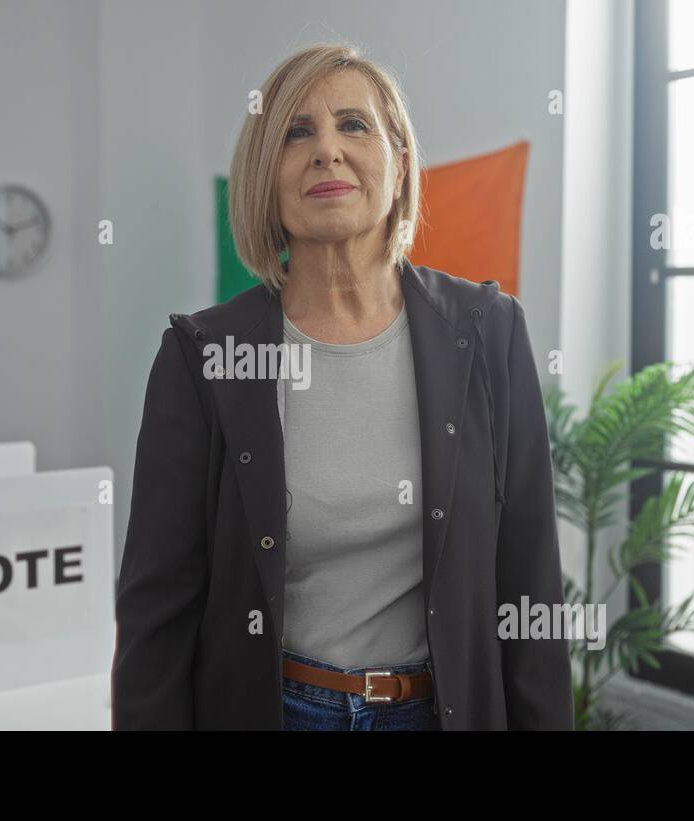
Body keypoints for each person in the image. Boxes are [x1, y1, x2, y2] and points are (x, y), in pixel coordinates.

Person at [111, 42, 573, 731]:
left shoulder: (489, 332)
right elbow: (158, 610)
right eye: (297, 132)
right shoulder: (201, 356)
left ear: (401, 162)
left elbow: (528, 580)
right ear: (266, 176)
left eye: (353, 125)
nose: (326, 150)